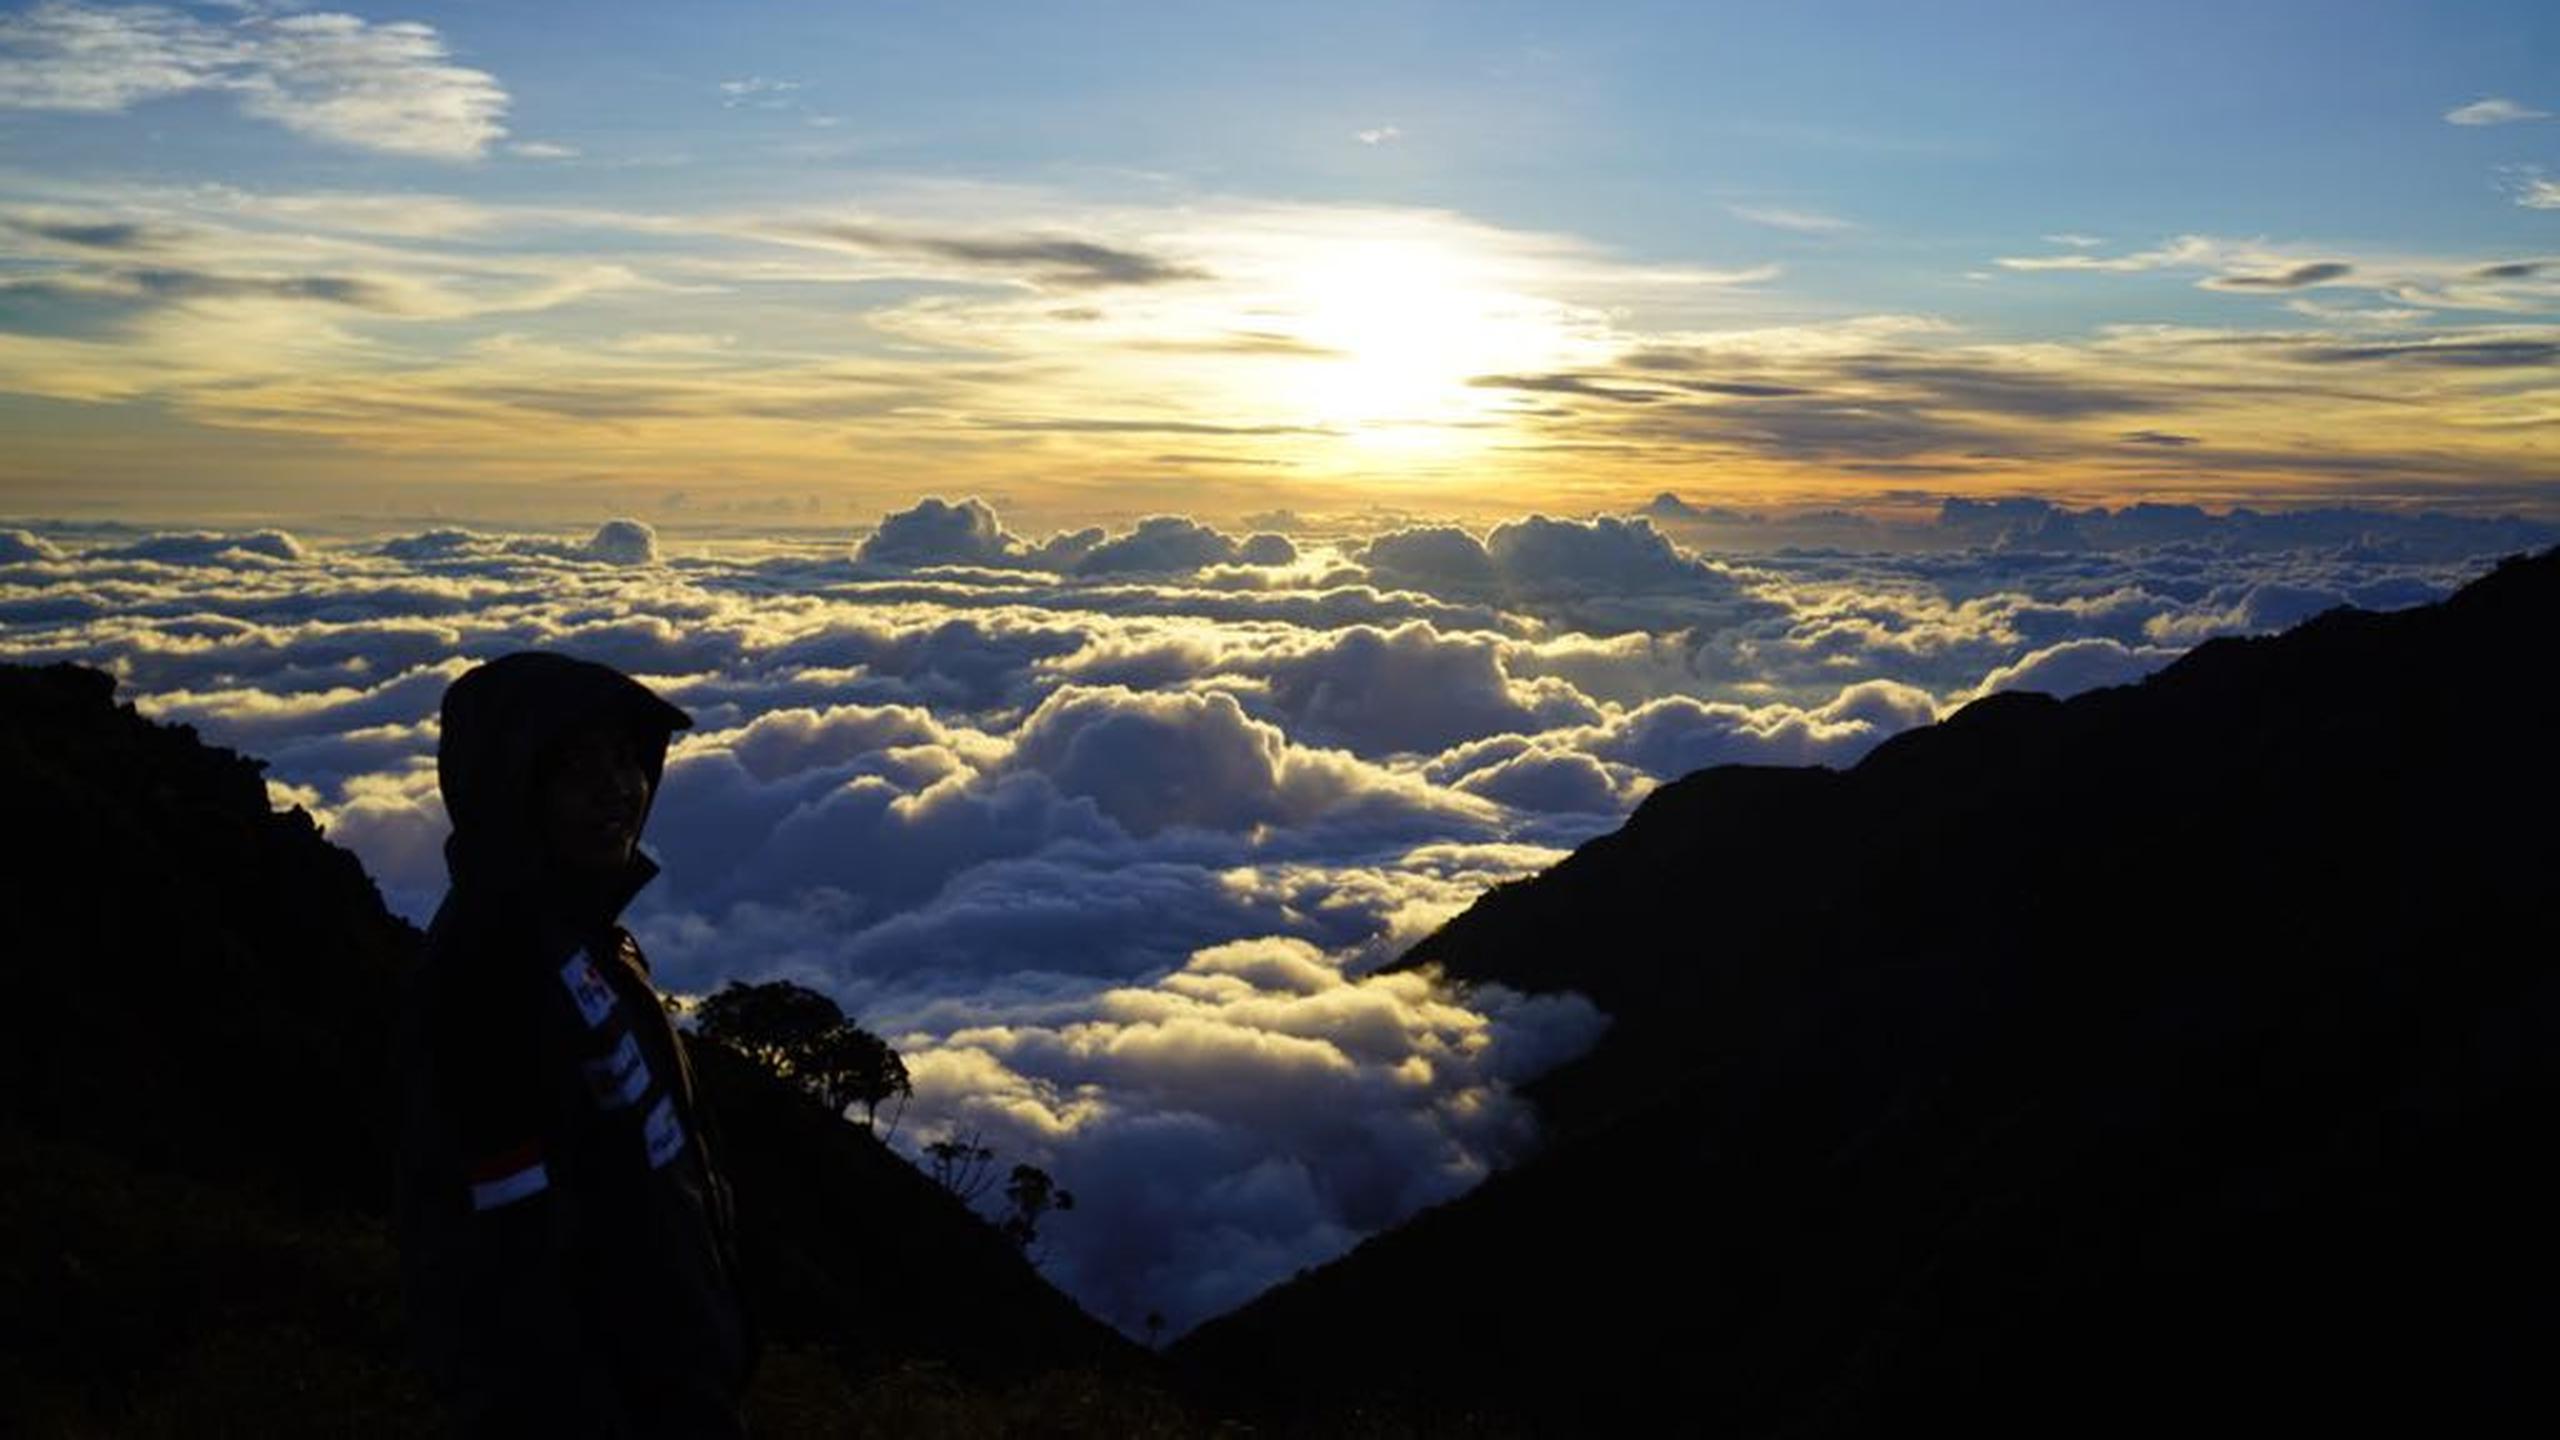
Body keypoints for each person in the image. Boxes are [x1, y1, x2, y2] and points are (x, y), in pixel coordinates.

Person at [393, 650, 760, 1436]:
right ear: (510, 788)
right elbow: (499, 1274)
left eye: (625, 759)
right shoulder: (484, 981)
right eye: (575, 767)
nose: (616, 788)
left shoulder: (583, 943)